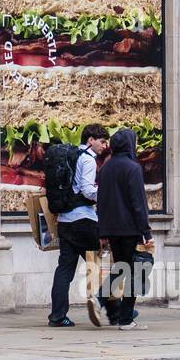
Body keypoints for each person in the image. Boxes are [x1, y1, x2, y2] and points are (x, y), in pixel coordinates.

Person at [48, 124, 110, 328]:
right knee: (96, 266)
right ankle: (111, 308)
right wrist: (105, 194)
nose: (105, 146)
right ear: (90, 140)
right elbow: (86, 190)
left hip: (65, 221)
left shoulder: (71, 156)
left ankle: (57, 316)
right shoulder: (88, 159)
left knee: (64, 269)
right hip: (84, 220)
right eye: (102, 141)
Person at [95, 128, 154, 330]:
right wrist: (146, 232)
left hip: (111, 228)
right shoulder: (133, 168)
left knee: (120, 268)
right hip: (129, 228)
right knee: (135, 272)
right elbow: (139, 203)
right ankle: (126, 319)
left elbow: (100, 201)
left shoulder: (105, 168)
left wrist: (102, 231)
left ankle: (101, 299)